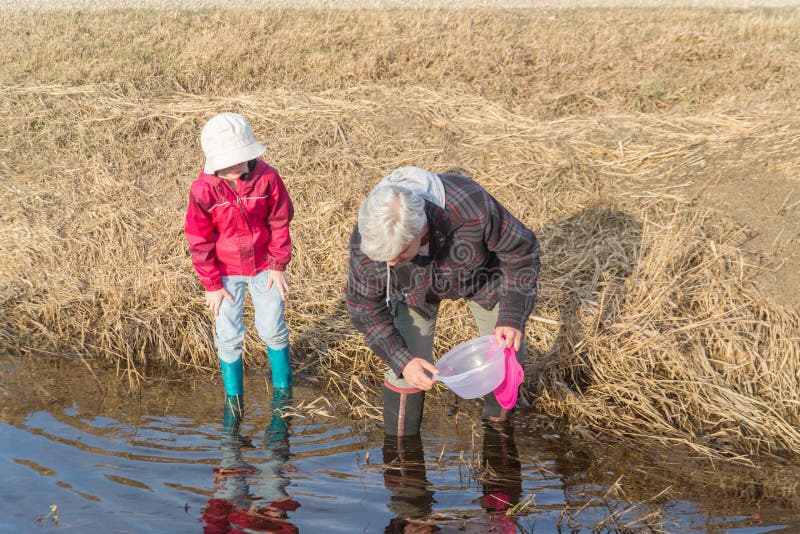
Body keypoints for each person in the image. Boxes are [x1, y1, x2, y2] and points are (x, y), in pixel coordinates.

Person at [346, 167, 540, 436]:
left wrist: (513, 316)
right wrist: (402, 360)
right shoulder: (369, 238)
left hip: (482, 277)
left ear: (420, 230)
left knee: (506, 353)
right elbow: (363, 307)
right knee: (406, 368)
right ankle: (402, 460)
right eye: (384, 257)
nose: (390, 263)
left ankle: (498, 436)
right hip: (411, 291)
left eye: (399, 254)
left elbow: (521, 251)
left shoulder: (470, 207)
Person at [185, 113, 294, 401]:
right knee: (229, 336)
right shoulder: (203, 189)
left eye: (242, 159)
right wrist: (211, 284)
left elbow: (280, 221)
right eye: (229, 162)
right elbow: (199, 239)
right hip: (225, 274)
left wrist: (278, 265)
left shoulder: (267, 178)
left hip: (264, 268)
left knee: (272, 328)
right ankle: (234, 401)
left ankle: (283, 394)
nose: (237, 166)